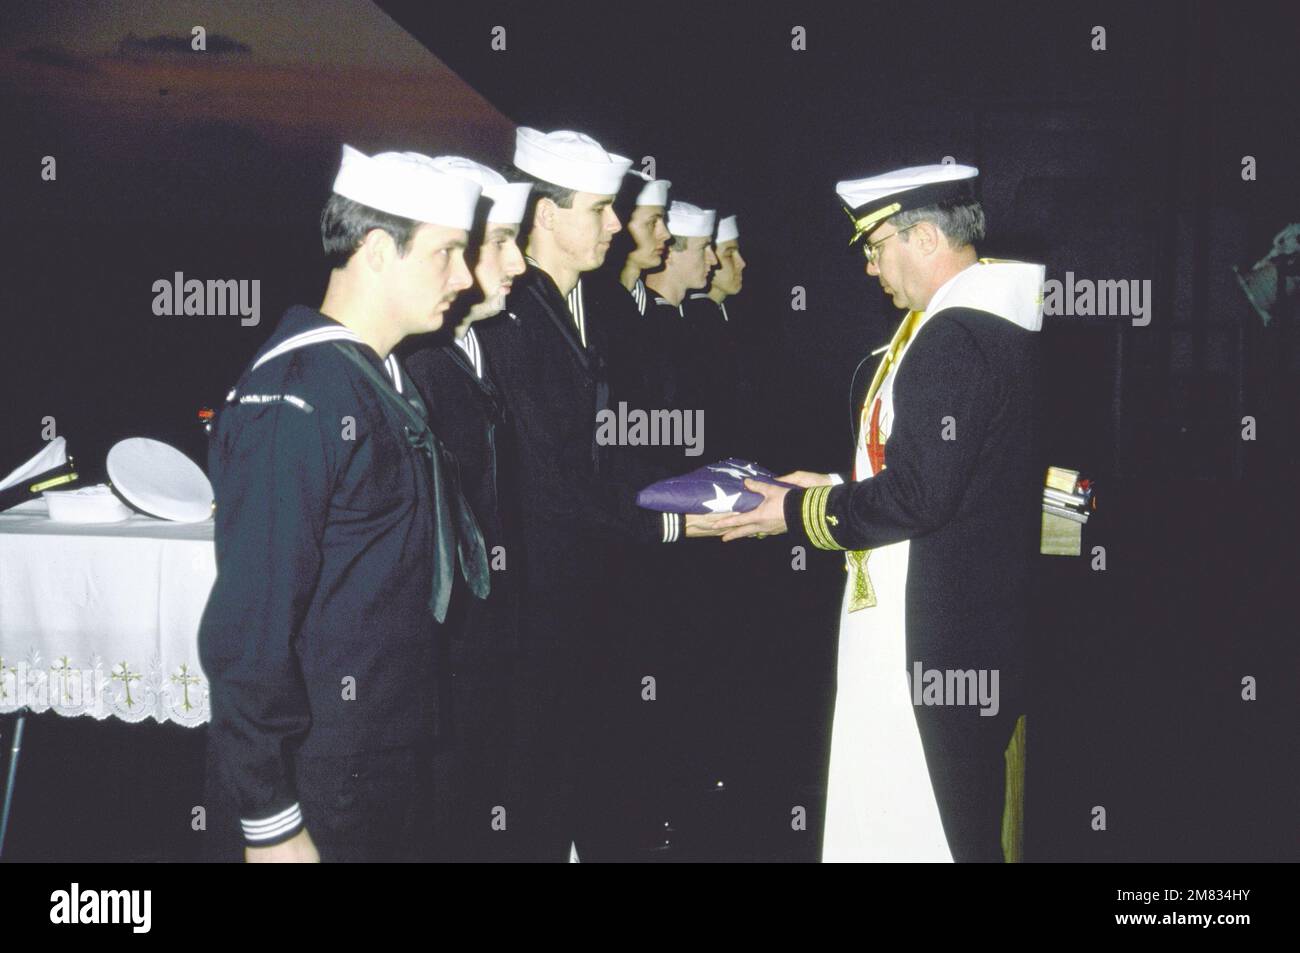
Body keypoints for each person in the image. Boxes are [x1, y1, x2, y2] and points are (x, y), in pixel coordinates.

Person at [698, 163, 1042, 862]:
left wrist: (797, 512)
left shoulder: (955, 336)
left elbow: (920, 495)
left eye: (874, 247)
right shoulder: (976, 324)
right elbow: (933, 473)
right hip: (952, 623)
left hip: (930, 637)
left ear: (921, 237)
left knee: (921, 821)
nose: (868, 268)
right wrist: (829, 482)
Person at [198, 145, 485, 863]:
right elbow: (248, 629)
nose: (468, 276)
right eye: (448, 253)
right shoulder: (300, 391)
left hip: (382, 755)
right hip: (324, 775)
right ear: (378, 249)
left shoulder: (378, 376)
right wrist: (269, 819)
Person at [473, 128, 700, 861]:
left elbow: (617, 439)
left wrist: (695, 488)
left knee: (573, 773)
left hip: (587, 586)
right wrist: (673, 524)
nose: (615, 224)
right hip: (533, 599)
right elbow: (553, 474)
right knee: (528, 783)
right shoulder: (508, 317)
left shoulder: (589, 305)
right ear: (543, 216)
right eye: (601, 209)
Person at [401, 156, 530, 861]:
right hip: (446, 665)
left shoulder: (478, 344)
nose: (516, 261)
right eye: (498, 243)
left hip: (486, 654)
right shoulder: (417, 368)